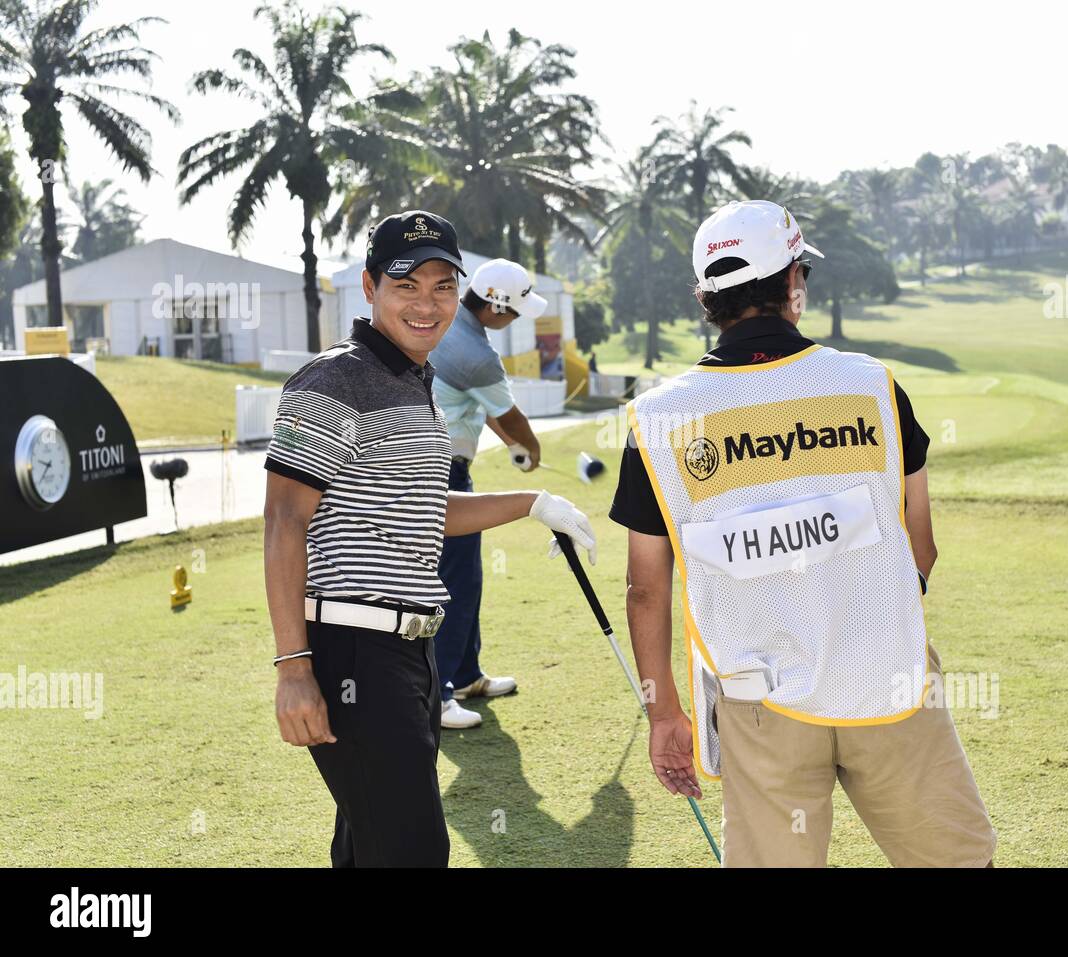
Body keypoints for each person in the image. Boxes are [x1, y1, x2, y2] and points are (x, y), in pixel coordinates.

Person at [609, 200, 996, 867]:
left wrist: (663, 711)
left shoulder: (658, 419)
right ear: (792, 283)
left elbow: (645, 590)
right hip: (888, 678)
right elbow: (920, 547)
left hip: (759, 702)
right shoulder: (874, 386)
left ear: (706, 296)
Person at [264, 210, 596, 867]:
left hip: (411, 653)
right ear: (369, 287)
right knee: (414, 851)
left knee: (371, 847)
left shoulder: (414, 383)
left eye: (443, 286)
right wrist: (292, 668)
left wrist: (534, 501)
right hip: (354, 651)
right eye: (406, 285)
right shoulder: (333, 379)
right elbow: (283, 521)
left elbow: (423, 509)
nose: (427, 303)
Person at [429, 258, 548, 729]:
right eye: (514, 312)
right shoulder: (476, 352)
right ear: (496, 306)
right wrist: (530, 447)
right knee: (453, 583)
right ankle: (436, 698)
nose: (514, 321)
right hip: (442, 474)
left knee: (466, 577)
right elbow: (511, 415)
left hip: (440, 468)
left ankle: (465, 674)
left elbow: (487, 407)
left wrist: (512, 444)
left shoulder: (452, 325)